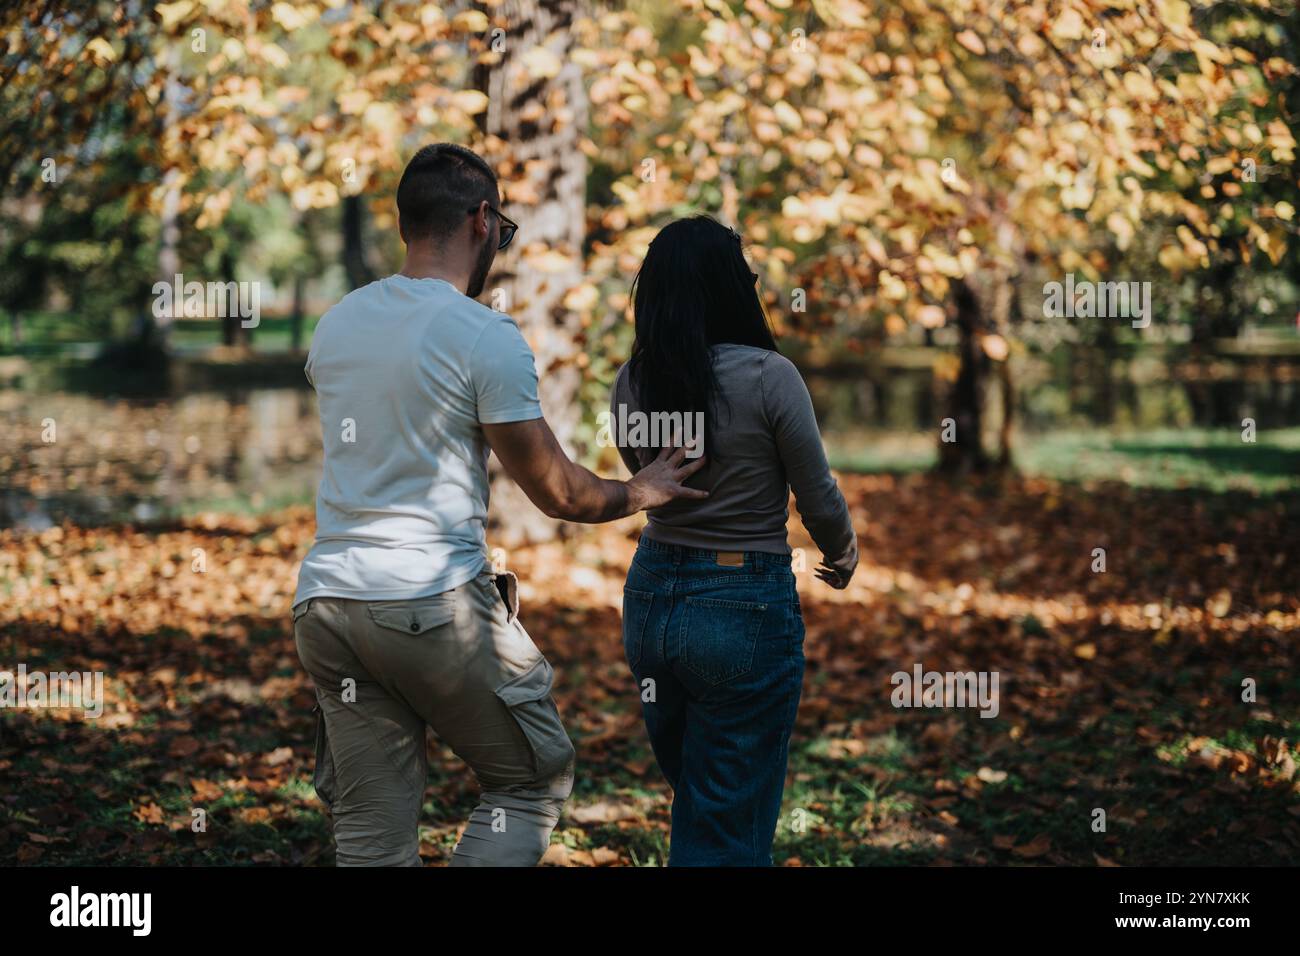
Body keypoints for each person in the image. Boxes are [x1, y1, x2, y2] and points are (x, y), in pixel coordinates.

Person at [291, 143, 707, 867]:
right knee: (530, 778)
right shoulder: (483, 335)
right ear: (483, 220)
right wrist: (641, 491)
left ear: (404, 224)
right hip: (428, 600)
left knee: (369, 829)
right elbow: (557, 491)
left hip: (327, 606)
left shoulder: (338, 324)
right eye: (504, 231)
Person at [611, 215, 858, 866]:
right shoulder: (769, 376)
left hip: (651, 601)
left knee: (700, 797)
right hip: (741, 608)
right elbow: (817, 492)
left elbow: (646, 480)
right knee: (723, 823)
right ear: (731, 288)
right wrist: (841, 549)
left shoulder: (631, 381)